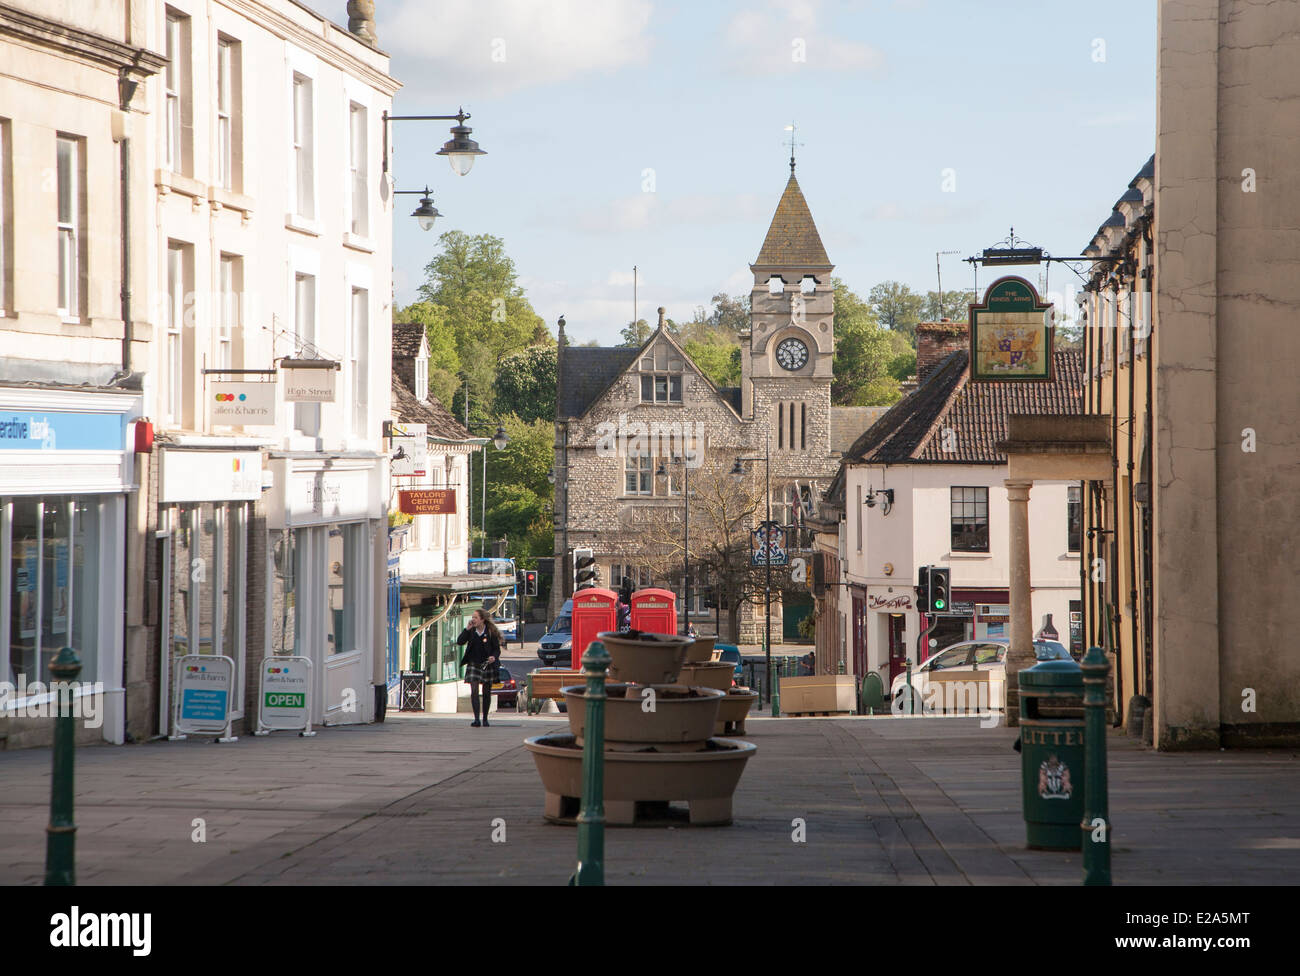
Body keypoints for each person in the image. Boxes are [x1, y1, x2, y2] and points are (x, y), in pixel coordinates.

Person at [458, 609, 502, 727]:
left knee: (486, 692)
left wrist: (494, 656)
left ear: (482, 619)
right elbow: (460, 641)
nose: (473, 619)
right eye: (472, 617)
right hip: (473, 664)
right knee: (474, 691)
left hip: (487, 664)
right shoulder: (471, 631)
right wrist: (466, 629)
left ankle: (485, 719)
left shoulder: (490, 632)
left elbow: (497, 649)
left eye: (476, 617)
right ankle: (476, 719)